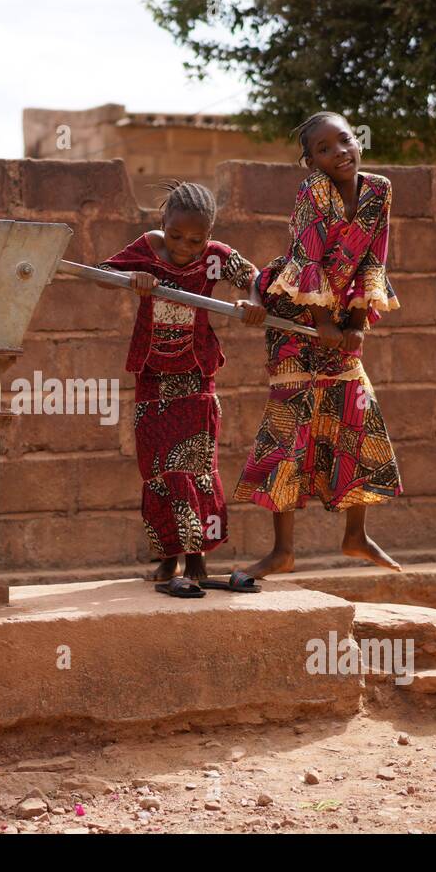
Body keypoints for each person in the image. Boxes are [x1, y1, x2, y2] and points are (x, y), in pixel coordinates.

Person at [233, 112, 404, 575]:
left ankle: (356, 535)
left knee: (358, 410)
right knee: (291, 424)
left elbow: (374, 255)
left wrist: (355, 321)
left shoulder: (379, 190)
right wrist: (324, 319)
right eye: (324, 149)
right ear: (311, 161)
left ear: (358, 141)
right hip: (294, 316)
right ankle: (283, 551)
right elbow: (306, 255)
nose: (338, 152)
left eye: (344, 140)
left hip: (338, 314)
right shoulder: (313, 192)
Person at [97, 181, 262, 597]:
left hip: (196, 373)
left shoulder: (215, 257)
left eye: (196, 238)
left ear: (208, 234)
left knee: (197, 468)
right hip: (153, 375)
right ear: (161, 223)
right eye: (176, 235)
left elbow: (253, 278)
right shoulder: (148, 248)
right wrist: (130, 278)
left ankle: (198, 562)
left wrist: (252, 302)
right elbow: (103, 275)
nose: (186, 246)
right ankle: (167, 558)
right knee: (157, 470)